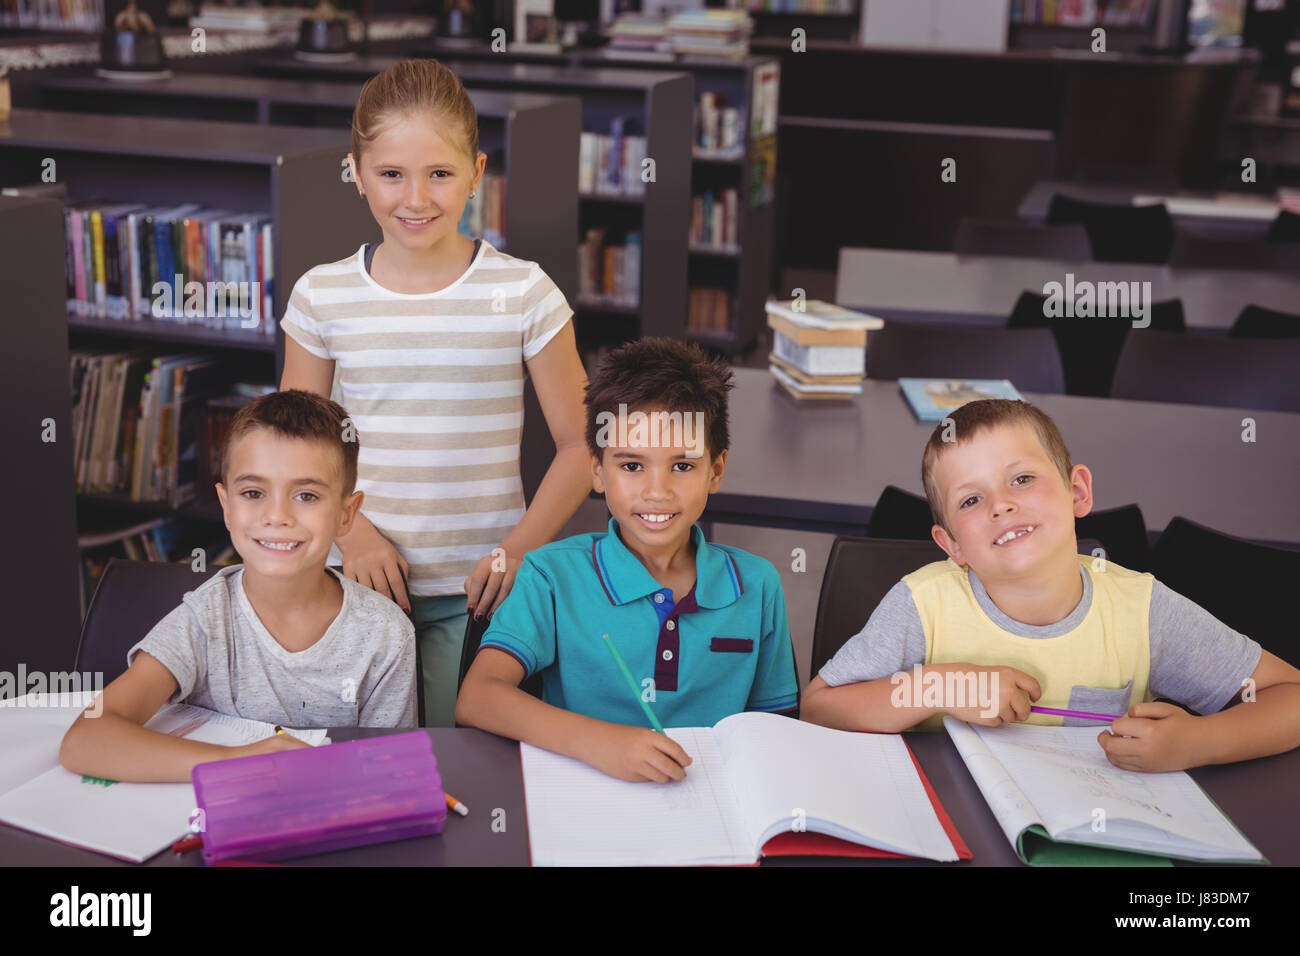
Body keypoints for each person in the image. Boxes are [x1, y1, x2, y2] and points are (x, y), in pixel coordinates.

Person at [279, 59, 591, 726]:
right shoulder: (321, 296)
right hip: (348, 586)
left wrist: (518, 551)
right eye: (391, 174)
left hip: (478, 599)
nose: (414, 198)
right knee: (355, 765)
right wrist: (355, 536)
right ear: (357, 173)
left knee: (461, 769)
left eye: (439, 174)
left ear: (477, 174)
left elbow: (580, 445)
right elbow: (293, 456)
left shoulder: (524, 293)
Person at [802, 399, 1300, 772]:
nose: (1000, 504)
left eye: (1021, 480)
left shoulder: (1143, 610)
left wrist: (1199, 742)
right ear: (951, 543)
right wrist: (939, 686)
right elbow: (819, 707)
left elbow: (1290, 696)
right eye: (971, 500)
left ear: (1077, 491)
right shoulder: (922, 604)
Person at [455, 338, 799, 782]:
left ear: (716, 470)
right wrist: (597, 741)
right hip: (585, 798)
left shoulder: (758, 585)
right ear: (597, 471)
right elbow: (477, 698)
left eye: (682, 466)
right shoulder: (550, 575)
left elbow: (777, 729)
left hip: (717, 813)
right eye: (632, 466)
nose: (657, 491)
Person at [59, 390, 417, 783]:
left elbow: (389, 777)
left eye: (306, 495)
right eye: (253, 493)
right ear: (226, 505)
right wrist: (246, 761)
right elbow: (86, 738)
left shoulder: (385, 635)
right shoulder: (203, 621)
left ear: (346, 515)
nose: (277, 516)